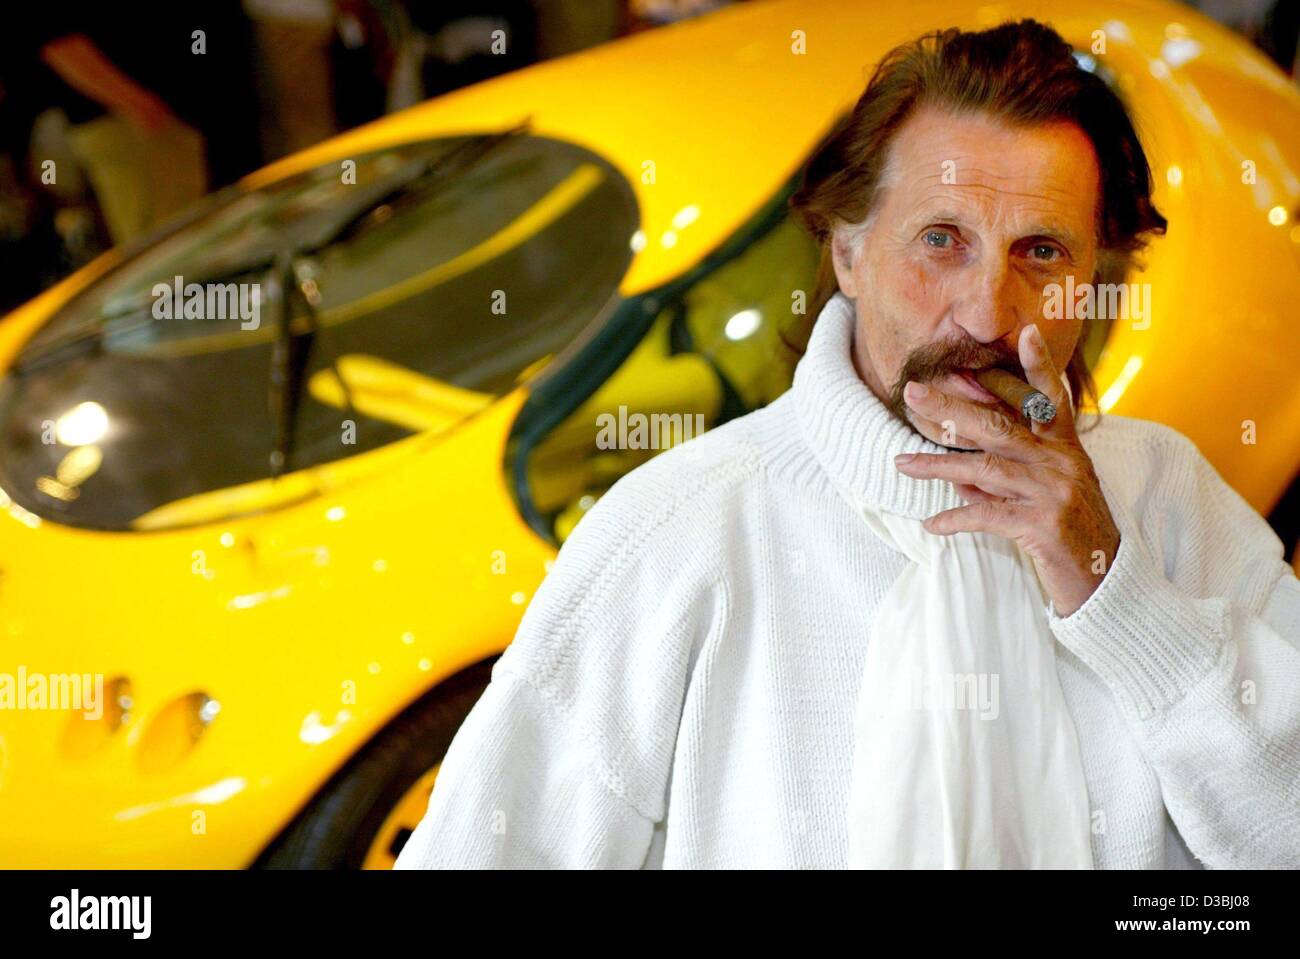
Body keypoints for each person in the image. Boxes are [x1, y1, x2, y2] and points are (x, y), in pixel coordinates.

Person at [394, 19, 1300, 869]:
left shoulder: (1168, 498)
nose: (988, 311)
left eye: (1042, 254)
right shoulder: (675, 536)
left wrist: (1116, 589)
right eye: (941, 240)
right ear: (847, 253)